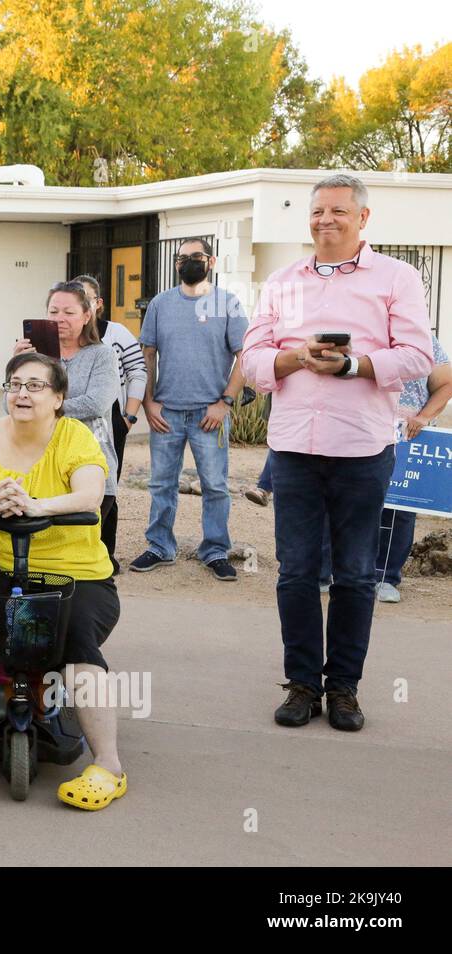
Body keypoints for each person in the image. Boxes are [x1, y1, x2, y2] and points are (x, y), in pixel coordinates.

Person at [243, 173, 433, 732]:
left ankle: (344, 687)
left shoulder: (397, 278)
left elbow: (419, 354)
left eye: (338, 212)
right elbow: (254, 357)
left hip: (363, 447)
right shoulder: (282, 281)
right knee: (296, 572)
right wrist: (296, 358)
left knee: (354, 574)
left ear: (363, 218)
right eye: (318, 211)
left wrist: (354, 365)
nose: (326, 220)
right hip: (294, 449)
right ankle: (302, 684)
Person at [0, 352, 125, 810]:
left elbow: (89, 494)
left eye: (36, 385)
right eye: (15, 383)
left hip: (71, 568)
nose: (22, 393)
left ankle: (109, 766)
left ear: (59, 397)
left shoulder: (75, 437)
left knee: (78, 638)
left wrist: (36, 505)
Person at [131, 238, 248, 582]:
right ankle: (159, 546)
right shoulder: (160, 304)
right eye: (181, 258)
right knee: (161, 484)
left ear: (210, 262)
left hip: (209, 415)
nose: (187, 263)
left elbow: (246, 357)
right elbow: (147, 354)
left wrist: (224, 403)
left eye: (195, 257)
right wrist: (150, 401)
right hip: (166, 413)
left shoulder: (228, 303)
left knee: (215, 486)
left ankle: (215, 550)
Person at [314, 332, 451, 602]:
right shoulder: (361, 331)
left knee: (398, 508)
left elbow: (446, 383)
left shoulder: (425, 341)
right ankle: (324, 573)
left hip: (406, 436)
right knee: (336, 502)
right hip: (355, 429)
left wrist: (423, 417)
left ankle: (386, 577)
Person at [15, 282, 120, 567]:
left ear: (87, 315)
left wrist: (45, 407)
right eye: (53, 311)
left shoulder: (103, 355)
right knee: (42, 555)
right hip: (41, 465)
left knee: (83, 552)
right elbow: (15, 406)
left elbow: (96, 403)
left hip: (90, 464)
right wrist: (17, 365)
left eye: (69, 312)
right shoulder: (36, 359)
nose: (59, 318)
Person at [74, 273, 147, 567]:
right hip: (71, 418)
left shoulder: (115, 333)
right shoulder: (61, 336)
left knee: (106, 486)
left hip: (109, 418)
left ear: (98, 303)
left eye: (86, 298)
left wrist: (129, 416)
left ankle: (105, 552)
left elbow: (137, 371)